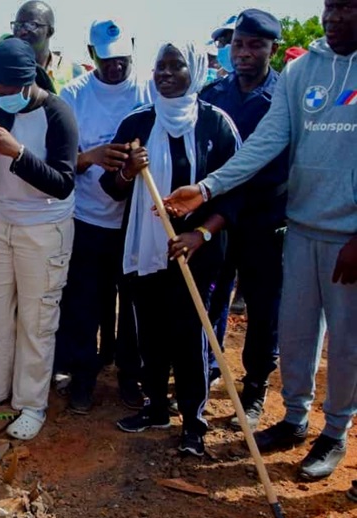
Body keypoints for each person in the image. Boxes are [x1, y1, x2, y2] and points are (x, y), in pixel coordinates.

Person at [163, 0, 357, 484]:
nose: (334, 18)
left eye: (347, 8)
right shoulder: (302, 72)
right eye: (330, 7)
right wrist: (207, 189)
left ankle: (334, 432)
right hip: (302, 226)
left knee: (348, 342)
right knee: (294, 332)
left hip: (348, 237)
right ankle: (294, 419)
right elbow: (266, 142)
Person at [101, 42, 240, 456]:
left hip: (195, 253)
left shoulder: (216, 125)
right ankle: (156, 407)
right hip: (145, 249)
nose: (165, 74)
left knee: (189, 333)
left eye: (175, 65)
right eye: (159, 66)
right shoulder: (136, 123)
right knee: (151, 333)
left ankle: (193, 424)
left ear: (194, 70)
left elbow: (234, 194)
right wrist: (128, 170)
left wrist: (202, 234)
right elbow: (111, 188)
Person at [0, 38, 78, 441]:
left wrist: (18, 154)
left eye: (7, 90)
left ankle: (32, 403)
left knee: (36, 320)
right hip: (2, 225)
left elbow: (64, 183)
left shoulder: (58, 114)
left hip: (44, 230)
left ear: (28, 81)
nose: (1, 98)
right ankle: (0, 393)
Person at [54, 19, 151, 414]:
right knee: (84, 305)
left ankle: (130, 377)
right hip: (87, 218)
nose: (114, 67)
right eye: (105, 60)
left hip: (133, 222)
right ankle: (82, 379)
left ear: (133, 48)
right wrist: (90, 157)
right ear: (91, 54)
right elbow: (57, 162)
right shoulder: (74, 95)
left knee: (132, 306)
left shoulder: (147, 91)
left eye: (122, 59)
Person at [199, 9, 286, 431]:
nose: (245, 53)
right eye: (238, 45)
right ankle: (206, 371)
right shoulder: (215, 94)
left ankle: (254, 390)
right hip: (217, 219)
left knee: (262, 306)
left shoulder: (283, 98)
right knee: (211, 297)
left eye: (255, 45)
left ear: (273, 49)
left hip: (263, 221)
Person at [11, 1, 84, 94]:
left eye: (31, 25)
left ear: (50, 32)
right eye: (17, 25)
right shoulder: (1, 72)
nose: (22, 31)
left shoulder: (76, 73)